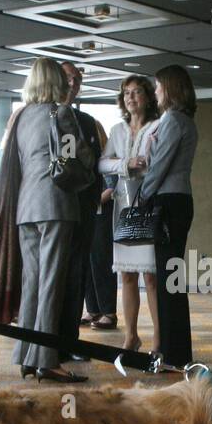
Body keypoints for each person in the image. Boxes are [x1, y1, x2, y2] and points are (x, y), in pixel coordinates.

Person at [0, 57, 90, 383]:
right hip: (56, 205)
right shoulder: (62, 113)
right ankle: (46, 359)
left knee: (32, 283)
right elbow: (72, 159)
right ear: (55, 81)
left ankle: (25, 354)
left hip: (25, 209)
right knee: (51, 283)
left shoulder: (21, 117)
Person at [139, 65, 198, 367]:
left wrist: (143, 195)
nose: (156, 92)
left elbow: (159, 166)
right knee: (171, 278)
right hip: (178, 199)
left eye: (159, 87)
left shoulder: (173, 120)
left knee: (167, 279)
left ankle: (173, 351)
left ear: (172, 89)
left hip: (168, 202)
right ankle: (176, 350)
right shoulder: (182, 120)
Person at [98, 76, 161, 352]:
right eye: (126, 93)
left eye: (136, 92)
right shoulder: (117, 130)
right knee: (126, 275)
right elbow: (102, 163)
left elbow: (162, 163)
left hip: (149, 204)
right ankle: (131, 336)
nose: (131, 97)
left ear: (148, 97)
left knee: (151, 276)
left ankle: (159, 337)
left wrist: (144, 166)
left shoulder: (158, 127)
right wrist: (126, 164)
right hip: (123, 205)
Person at [58, 62, 108, 360]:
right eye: (69, 77)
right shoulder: (46, 118)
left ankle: (70, 340)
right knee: (54, 276)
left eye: (78, 78)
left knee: (77, 275)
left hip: (85, 210)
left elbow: (96, 166)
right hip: (56, 210)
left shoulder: (88, 122)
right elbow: (63, 167)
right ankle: (48, 342)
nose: (74, 83)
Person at [81, 118, 118, 330]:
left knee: (102, 261)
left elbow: (111, 188)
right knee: (87, 262)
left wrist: (91, 202)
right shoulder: (85, 157)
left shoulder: (107, 157)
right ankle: (92, 309)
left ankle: (109, 312)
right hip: (88, 213)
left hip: (103, 213)